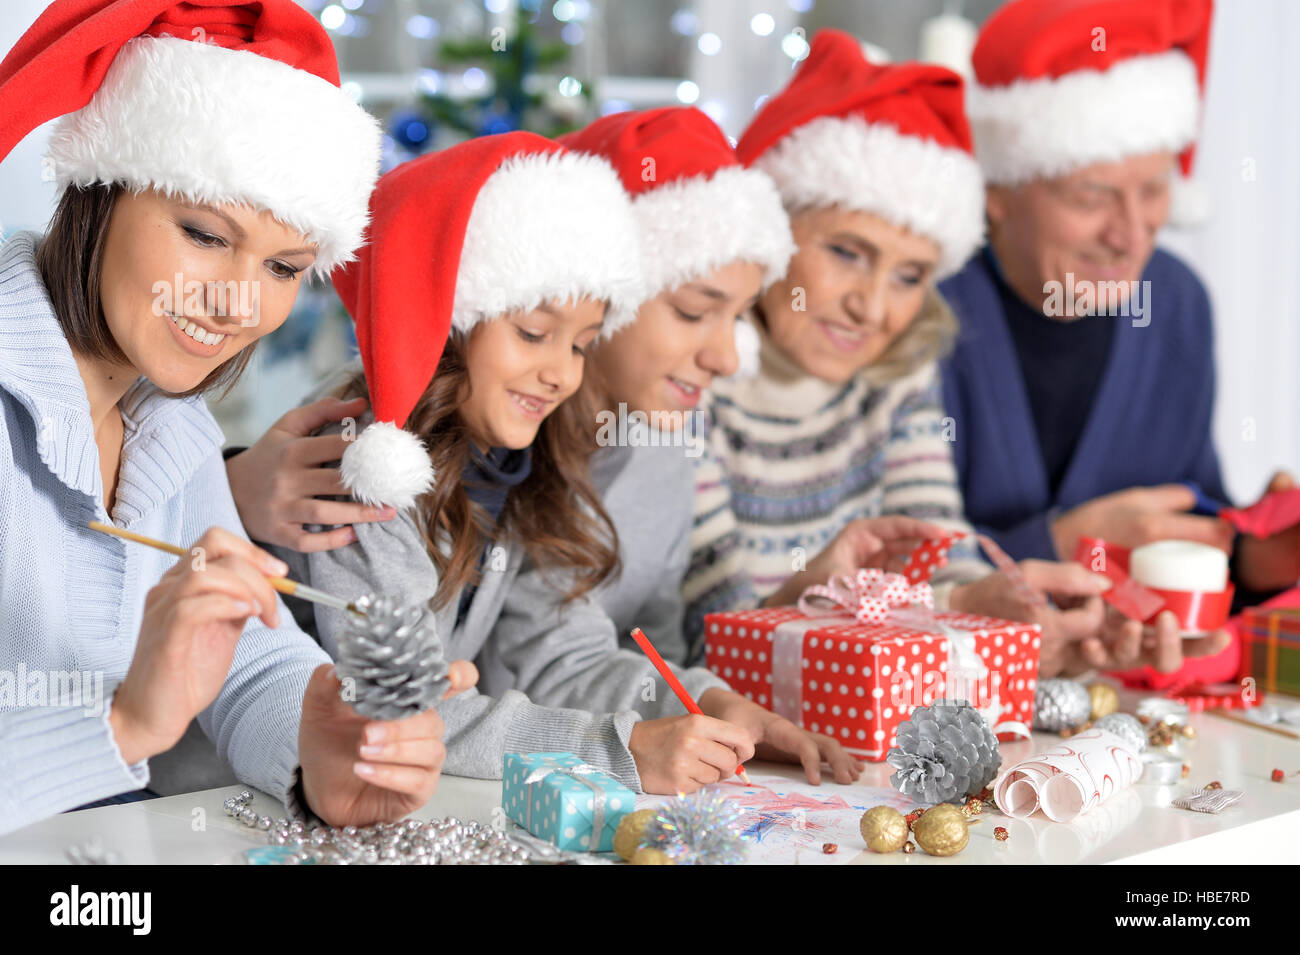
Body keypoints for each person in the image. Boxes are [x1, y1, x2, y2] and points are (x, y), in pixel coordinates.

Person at [0, 0, 470, 835]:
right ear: (100, 188)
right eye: (204, 234)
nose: (237, 303)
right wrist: (120, 727)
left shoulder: (169, 423)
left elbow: (245, 650)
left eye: (285, 266)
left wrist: (321, 744)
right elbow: (143, 709)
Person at [681, 30, 1112, 675]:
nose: (873, 308)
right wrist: (932, 613)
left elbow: (940, 549)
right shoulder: (690, 380)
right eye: (847, 253)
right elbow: (707, 642)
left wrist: (1003, 612)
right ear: (767, 232)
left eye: (909, 276)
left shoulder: (897, 372)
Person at [940, 0, 1284, 680]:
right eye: (1092, 195)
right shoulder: (923, 307)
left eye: (1154, 188)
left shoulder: (1178, 300)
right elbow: (870, 583)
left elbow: (1193, 510)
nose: (1131, 235)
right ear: (999, 191)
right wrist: (1065, 543)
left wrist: (1263, 553)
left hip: (1109, 711)